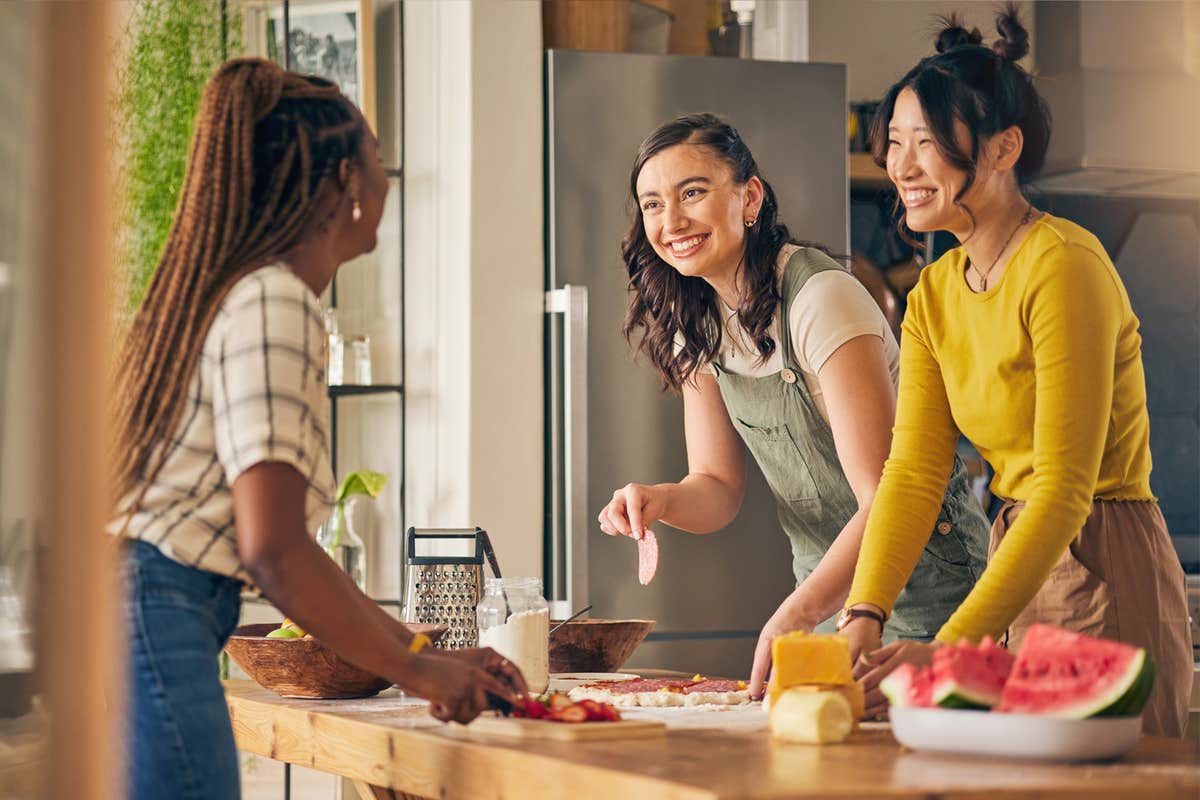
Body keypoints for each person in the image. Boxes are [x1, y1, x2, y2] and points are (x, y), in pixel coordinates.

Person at [109, 59, 525, 800]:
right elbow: (277, 551)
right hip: (157, 613)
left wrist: (430, 652)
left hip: (143, 611)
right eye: (375, 152)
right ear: (345, 181)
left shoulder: (245, 292)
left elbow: (282, 552)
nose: (385, 175)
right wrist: (420, 671)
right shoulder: (276, 301)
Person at [839, 8, 1192, 737]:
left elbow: (1063, 490)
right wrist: (863, 613)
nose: (901, 167)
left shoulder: (1063, 266)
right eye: (894, 143)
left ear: (1003, 149)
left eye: (927, 144)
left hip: (1102, 551)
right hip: (1017, 559)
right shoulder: (934, 294)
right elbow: (912, 472)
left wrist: (944, 650)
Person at [596, 113, 989, 700]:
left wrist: (798, 611)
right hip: (827, 602)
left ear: (749, 197)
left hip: (930, 589)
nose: (671, 221)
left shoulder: (820, 300)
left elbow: (884, 496)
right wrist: (662, 500)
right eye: (652, 204)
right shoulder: (697, 323)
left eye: (693, 193)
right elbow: (717, 487)